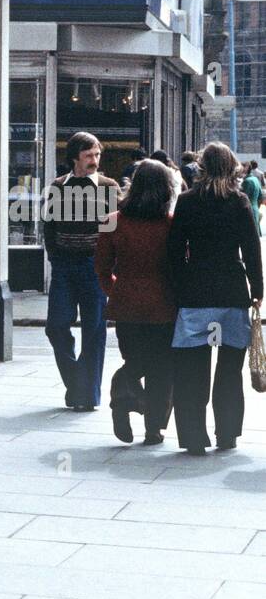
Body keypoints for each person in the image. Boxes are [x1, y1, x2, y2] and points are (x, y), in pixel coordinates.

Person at [167, 141, 264, 454]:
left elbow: (174, 251)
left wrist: (180, 286)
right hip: (232, 295)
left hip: (196, 295)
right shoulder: (238, 202)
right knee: (228, 372)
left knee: (193, 371)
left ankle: (194, 438)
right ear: (231, 166)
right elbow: (251, 251)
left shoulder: (187, 201)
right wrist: (258, 291)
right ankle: (227, 434)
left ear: (202, 167)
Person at [95, 160, 178, 445]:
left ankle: (122, 394)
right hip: (164, 304)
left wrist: (115, 290)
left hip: (126, 304)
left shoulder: (112, 220)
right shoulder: (170, 224)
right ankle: (154, 427)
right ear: (166, 189)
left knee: (134, 360)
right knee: (161, 367)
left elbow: (102, 268)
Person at [43, 131, 120, 411]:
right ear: (75, 157)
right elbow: (48, 227)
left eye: (97, 155)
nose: (94, 160)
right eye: (88, 155)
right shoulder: (58, 186)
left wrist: (110, 266)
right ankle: (77, 382)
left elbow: (115, 230)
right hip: (64, 265)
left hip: (94, 266)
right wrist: (54, 257)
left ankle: (88, 395)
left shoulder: (108, 187)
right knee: (56, 326)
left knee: (95, 330)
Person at [241, 160, 263, 237]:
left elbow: (242, 199)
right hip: (255, 209)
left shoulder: (247, 181)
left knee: (248, 237)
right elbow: (261, 196)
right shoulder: (255, 179)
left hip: (247, 211)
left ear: (246, 168)